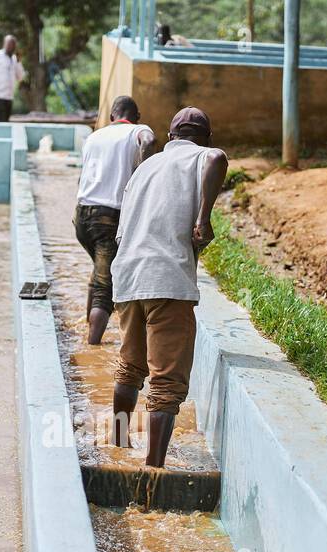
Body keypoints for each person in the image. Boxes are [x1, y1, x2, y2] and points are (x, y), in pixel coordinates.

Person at [109, 106, 227, 469]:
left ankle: (117, 444)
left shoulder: (144, 168)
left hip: (128, 278)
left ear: (171, 136)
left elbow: (121, 230)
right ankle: (154, 470)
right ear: (204, 137)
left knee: (129, 368)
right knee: (166, 383)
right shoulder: (205, 156)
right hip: (167, 282)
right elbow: (218, 159)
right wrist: (204, 218)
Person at [74, 95, 155, 344]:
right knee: (104, 288)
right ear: (136, 117)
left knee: (98, 275)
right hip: (109, 217)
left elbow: (83, 176)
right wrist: (142, 172)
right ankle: (92, 346)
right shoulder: (138, 130)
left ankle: (86, 329)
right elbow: (149, 140)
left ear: (111, 117)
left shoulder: (94, 136)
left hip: (82, 215)